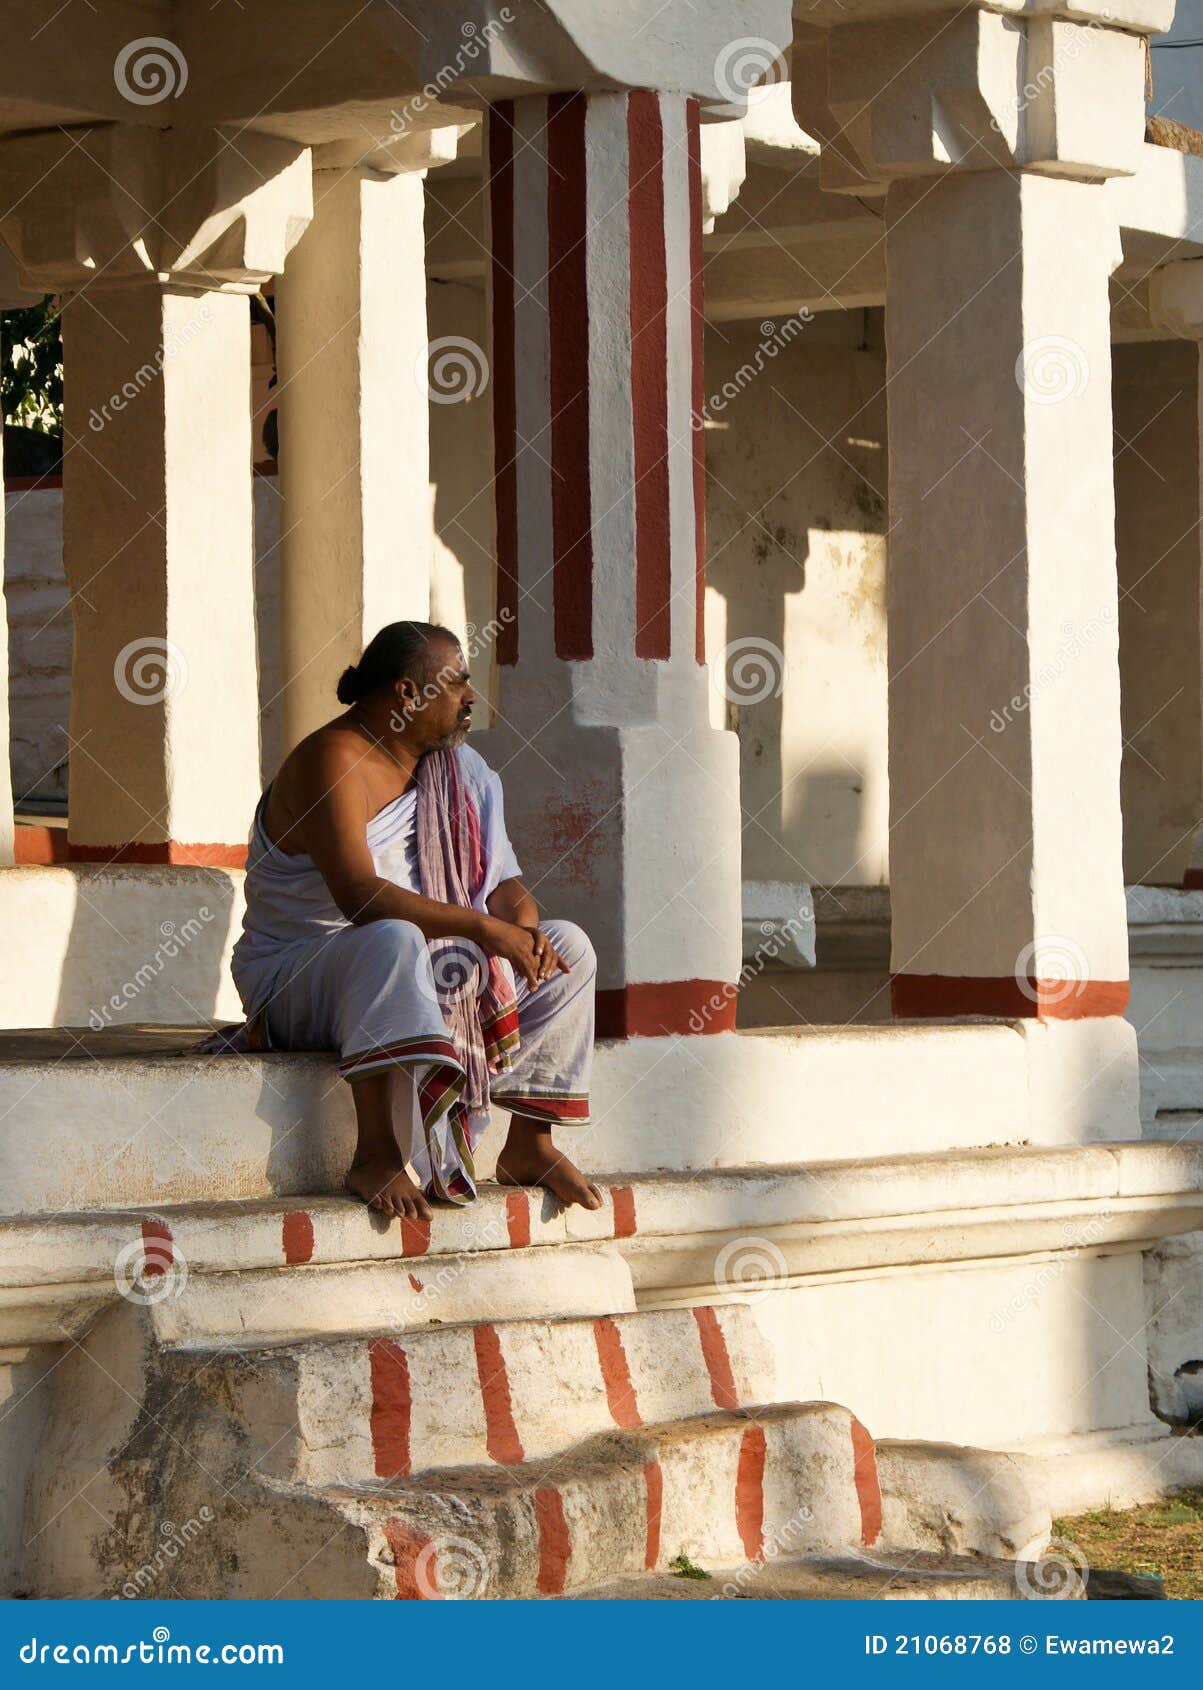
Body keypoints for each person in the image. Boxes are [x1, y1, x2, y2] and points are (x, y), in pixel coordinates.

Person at [213, 620, 602, 1224]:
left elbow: (499, 883)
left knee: (569, 948)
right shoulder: (332, 760)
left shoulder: (459, 769)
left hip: (423, 963)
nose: (472, 698)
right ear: (405, 694)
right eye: (457, 684)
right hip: (298, 975)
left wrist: (521, 929)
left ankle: (529, 1143)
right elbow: (359, 898)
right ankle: (375, 1153)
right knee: (389, 939)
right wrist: (484, 931)